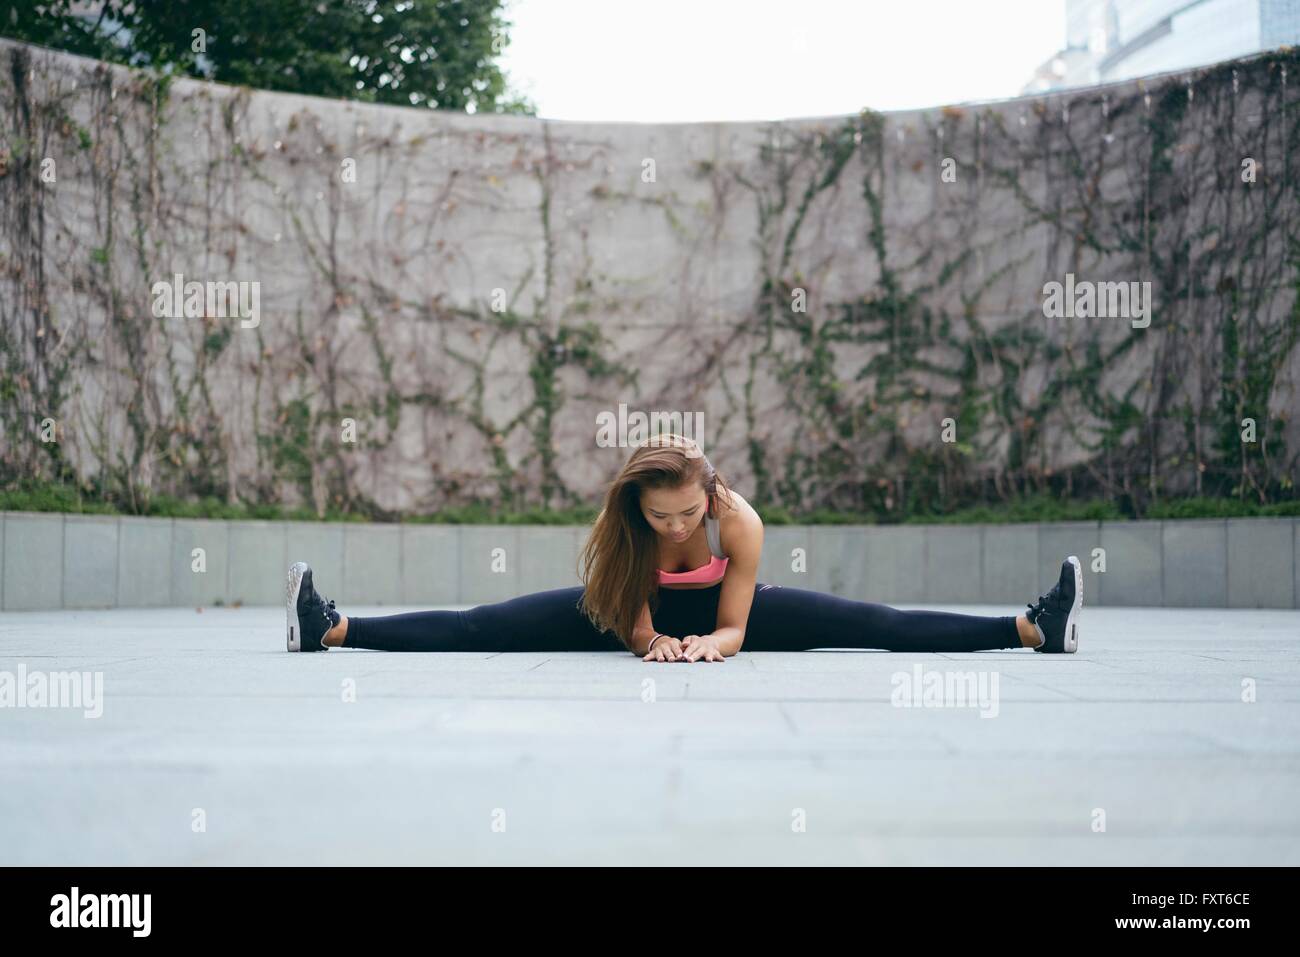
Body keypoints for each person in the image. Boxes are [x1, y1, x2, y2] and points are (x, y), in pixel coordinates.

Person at [285, 433, 1081, 659]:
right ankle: (328, 627)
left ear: (708, 495)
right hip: (626, 615)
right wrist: (650, 639)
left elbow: (736, 621)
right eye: (658, 516)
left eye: (685, 514)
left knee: (875, 621)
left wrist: (717, 642)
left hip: (728, 615)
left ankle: (1032, 628)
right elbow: (627, 605)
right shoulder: (629, 524)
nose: (673, 528)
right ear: (638, 504)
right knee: (481, 624)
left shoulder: (740, 520)